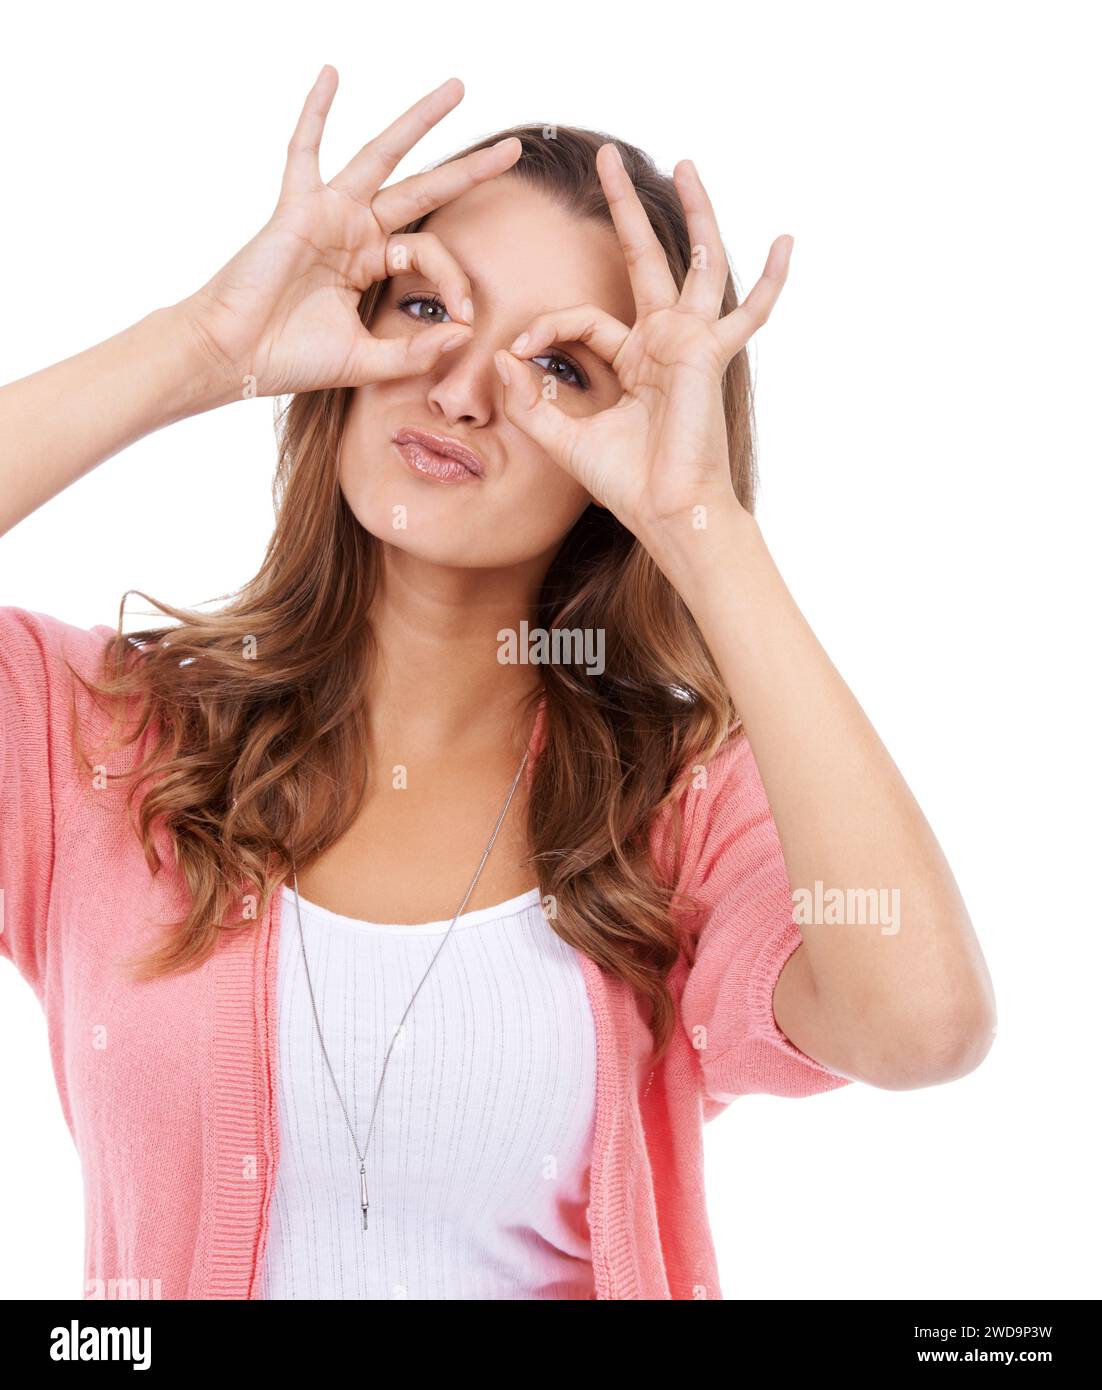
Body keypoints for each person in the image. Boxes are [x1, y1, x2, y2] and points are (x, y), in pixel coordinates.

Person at [0, 66, 996, 1301]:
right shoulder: (98, 739)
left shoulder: (674, 810)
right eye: (423, 308)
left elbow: (922, 1025)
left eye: (562, 368)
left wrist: (701, 523)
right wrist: (201, 347)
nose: (462, 391)